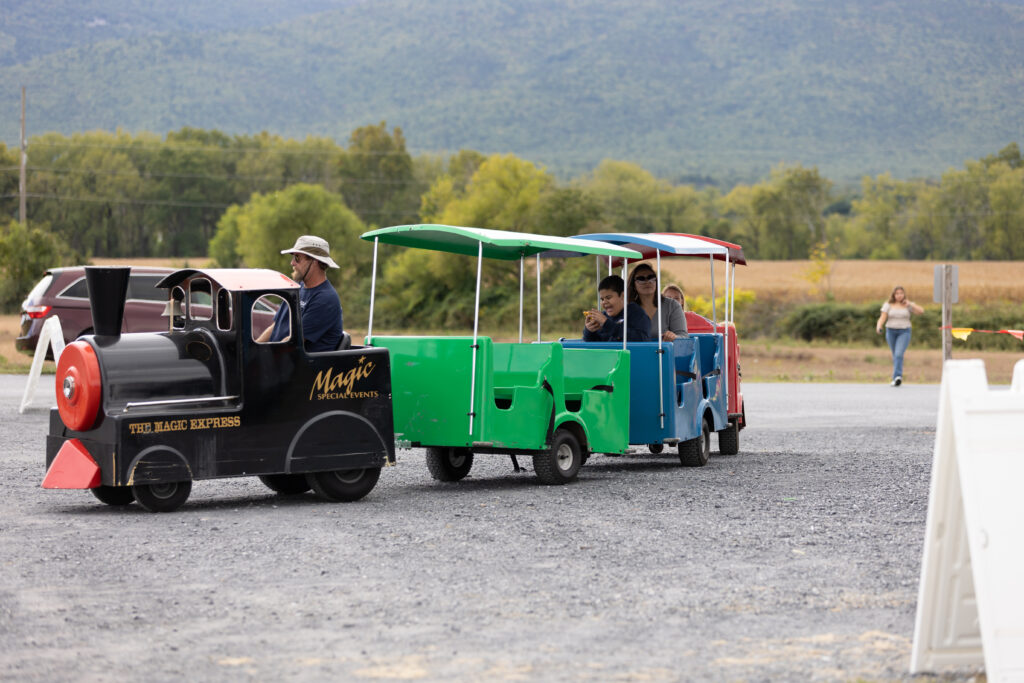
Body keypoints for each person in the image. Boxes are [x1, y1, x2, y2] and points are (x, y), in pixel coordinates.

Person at [258, 235, 343, 352]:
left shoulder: (326, 299)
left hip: (303, 368)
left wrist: (264, 356)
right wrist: (253, 349)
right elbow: (275, 327)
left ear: (314, 261)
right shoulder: (297, 288)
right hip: (283, 362)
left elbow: (292, 342)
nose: (292, 263)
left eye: (297, 258)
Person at [876, 285, 924, 386]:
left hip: (904, 331)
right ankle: (896, 377)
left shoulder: (908, 305)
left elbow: (921, 311)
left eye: (901, 293)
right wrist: (879, 326)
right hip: (891, 331)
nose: (899, 295)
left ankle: (897, 377)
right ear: (894, 295)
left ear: (904, 294)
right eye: (897, 293)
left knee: (898, 354)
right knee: (896, 355)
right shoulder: (888, 305)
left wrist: (910, 304)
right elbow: (882, 317)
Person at [627, 264, 687, 341]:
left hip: (664, 352)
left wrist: (674, 338)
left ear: (656, 281)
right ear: (633, 284)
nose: (647, 282)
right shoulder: (626, 309)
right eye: (641, 279)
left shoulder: (672, 305)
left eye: (651, 277)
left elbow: (683, 336)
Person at [583, 274, 652, 342]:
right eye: (602, 299)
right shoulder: (603, 317)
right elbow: (593, 344)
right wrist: (589, 331)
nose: (604, 302)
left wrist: (607, 324)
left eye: (608, 297)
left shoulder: (637, 314)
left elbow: (641, 339)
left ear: (622, 296)